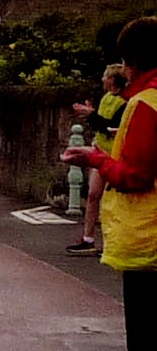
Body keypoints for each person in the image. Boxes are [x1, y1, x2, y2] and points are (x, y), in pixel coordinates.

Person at [61, 17, 157, 351]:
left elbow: (136, 175)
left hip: (149, 244)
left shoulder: (145, 104)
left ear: (131, 60)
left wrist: (96, 159)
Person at [67, 65, 129, 255]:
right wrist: (92, 115)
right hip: (100, 154)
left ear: (113, 79)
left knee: (113, 202)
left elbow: (110, 127)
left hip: (115, 157)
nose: (103, 79)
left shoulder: (126, 101)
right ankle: (88, 238)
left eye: (105, 76)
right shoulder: (106, 98)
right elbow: (100, 125)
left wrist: (90, 114)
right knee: (94, 195)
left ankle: (111, 241)